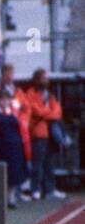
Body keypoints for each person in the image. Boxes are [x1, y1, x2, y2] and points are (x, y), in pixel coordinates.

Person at [21, 69, 64, 201]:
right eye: (43, 78)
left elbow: (58, 111)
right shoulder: (30, 94)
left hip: (49, 132)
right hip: (37, 133)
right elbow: (36, 111)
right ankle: (35, 189)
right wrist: (49, 113)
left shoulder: (49, 94)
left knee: (49, 163)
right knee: (37, 163)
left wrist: (48, 113)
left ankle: (50, 189)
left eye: (46, 78)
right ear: (36, 80)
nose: (46, 81)